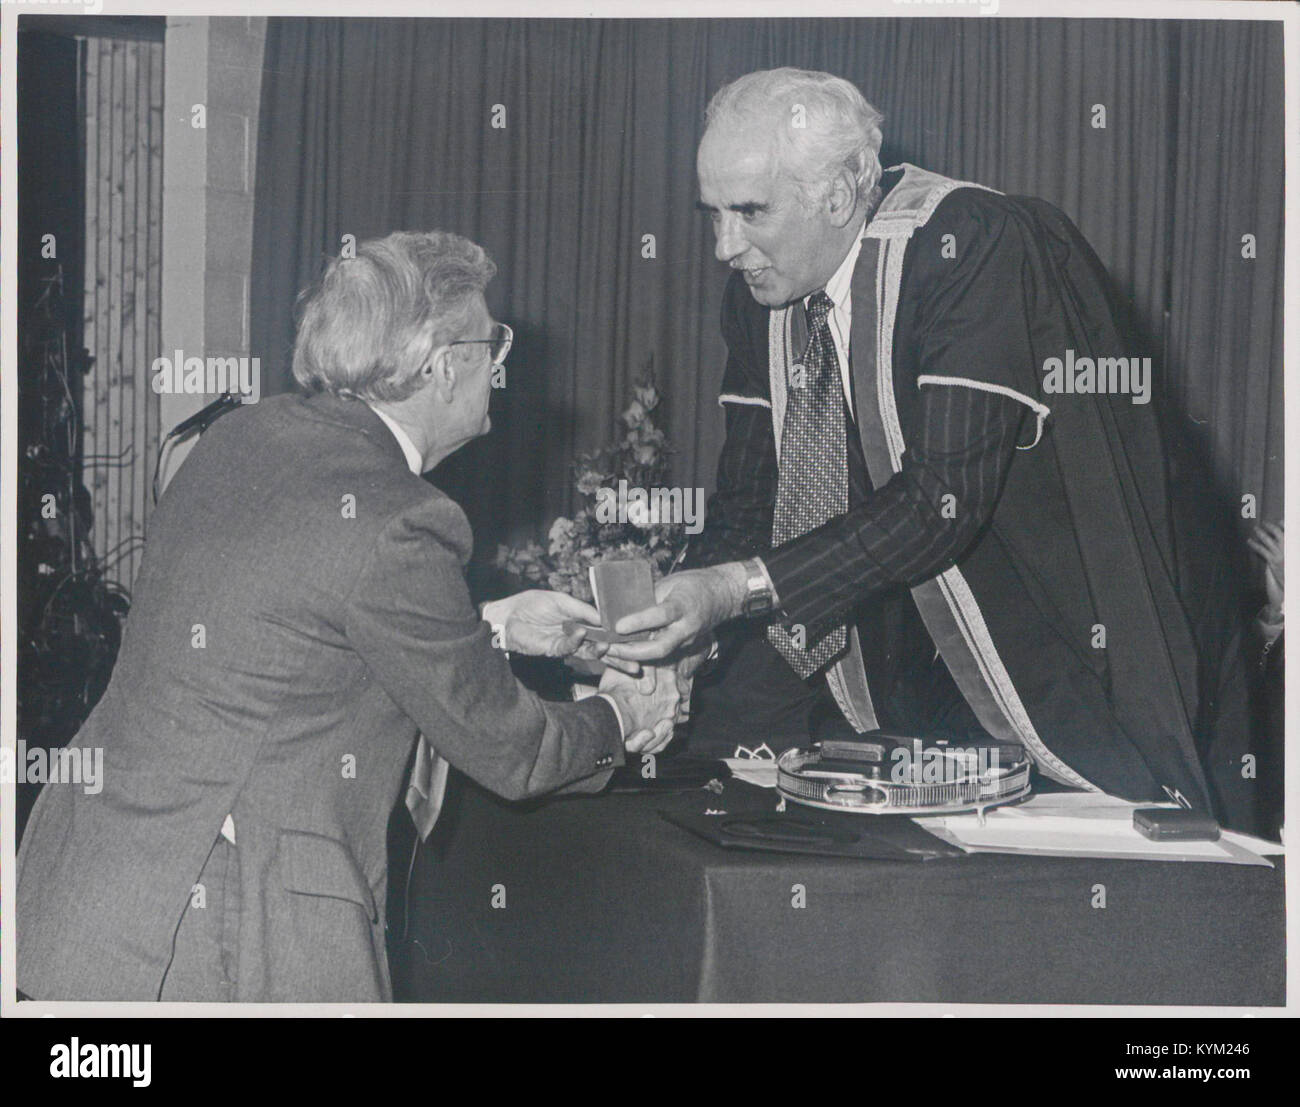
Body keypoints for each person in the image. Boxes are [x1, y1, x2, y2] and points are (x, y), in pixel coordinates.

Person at [16, 230, 679, 1002]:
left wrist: (492, 623)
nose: (501, 362)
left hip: (87, 892)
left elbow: (292, 627)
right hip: (215, 933)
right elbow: (511, 750)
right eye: (489, 341)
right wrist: (619, 715)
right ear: (440, 364)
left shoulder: (237, 436)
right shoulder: (402, 517)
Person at [611, 67, 1249, 823]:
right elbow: (756, 502)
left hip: (1068, 630)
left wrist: (730, 590)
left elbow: (940, 501)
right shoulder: (761, 298)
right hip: (911, 654)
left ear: (840, 196)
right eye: (712, 213)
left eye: (749, 212)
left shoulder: (967, 245)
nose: (724, 245)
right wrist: (688, 624)